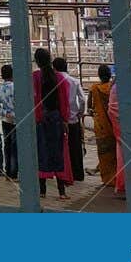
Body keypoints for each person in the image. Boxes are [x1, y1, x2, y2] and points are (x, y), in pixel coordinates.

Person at [31, 47, 74, 199]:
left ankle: (42, 191)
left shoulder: (34, 77)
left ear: (36, 61)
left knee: (41, 152)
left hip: (40, 119)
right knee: (58, 152)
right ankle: (61, 192)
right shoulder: (60, 79)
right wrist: (65, 120)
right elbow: (64, 102)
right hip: (55, 118)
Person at [53, 56, 87, 182]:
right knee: (75, 148)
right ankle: (77, 173)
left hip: (58, 119)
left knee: (60, 147)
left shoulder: (53, 81)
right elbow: (83, 99)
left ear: (54, 68)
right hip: (73, 119)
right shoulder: (74, 81)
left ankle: (61, 173)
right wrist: (80, 113)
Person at [88, 64, 116, 185]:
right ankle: (116, 176)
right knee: (114, 150)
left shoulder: (94, 88)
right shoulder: (113, 88)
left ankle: (106, 178)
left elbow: (89, 106)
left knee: (104, 152)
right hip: (113, 123)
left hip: (101, 126)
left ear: (99, 75)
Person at [0, 64, 18, 180]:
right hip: (16, 120)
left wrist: (4, 113)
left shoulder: (0, 88)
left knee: (7, 145)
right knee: (15, 146)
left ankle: (8, 171)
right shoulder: (15, 87)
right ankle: (14, 171)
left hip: (5, 120)